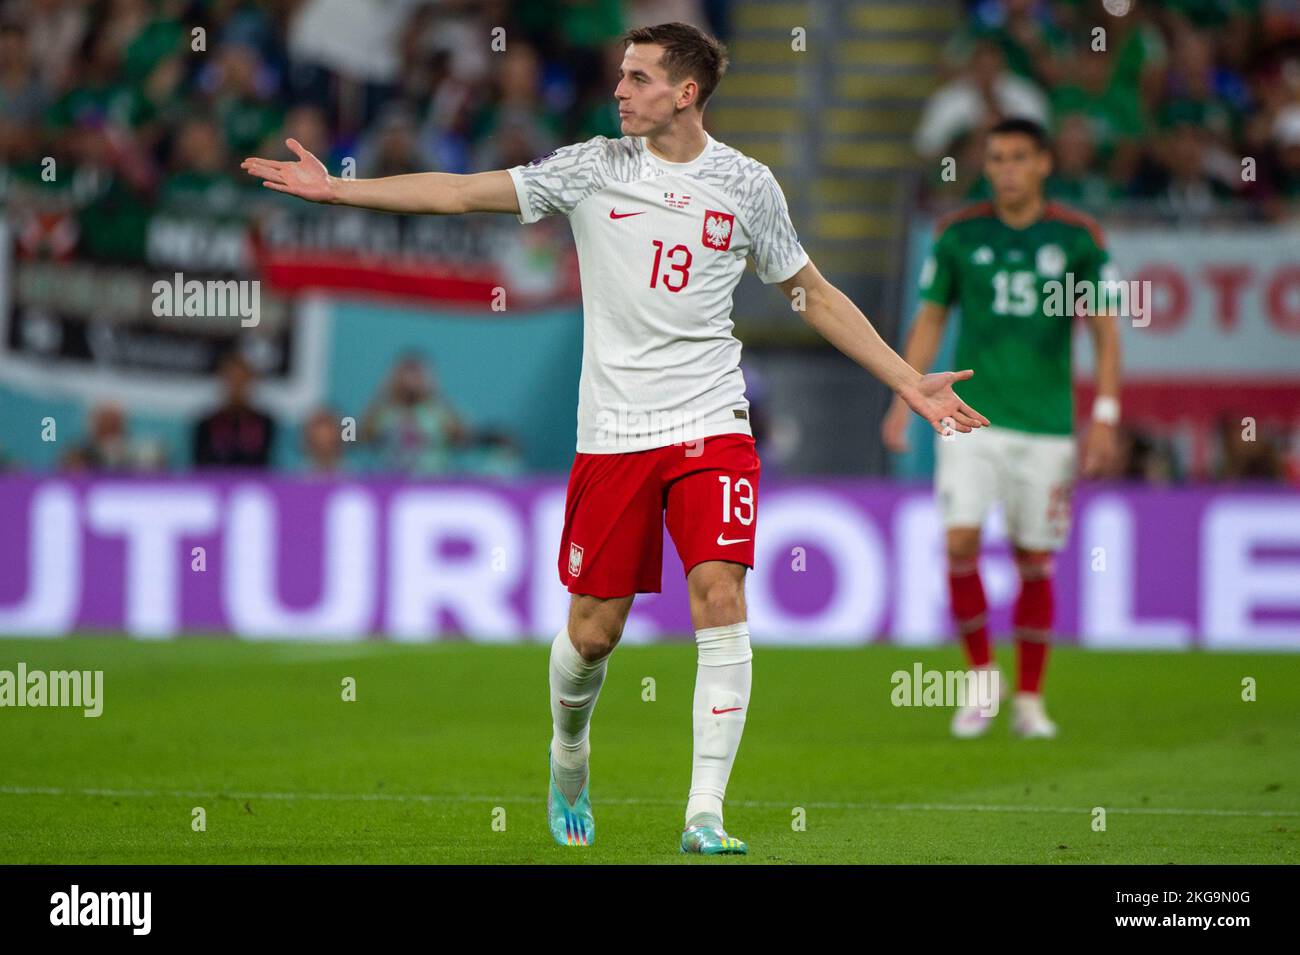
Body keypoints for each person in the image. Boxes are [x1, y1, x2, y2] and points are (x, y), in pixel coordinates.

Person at [243, 21, 987, 855]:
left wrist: (905, 378)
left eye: (637, 78)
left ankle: (705, 810)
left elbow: (810, 293)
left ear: (686, 92)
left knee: (721, 594)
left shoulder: (747, 184)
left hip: (712, 421)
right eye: (621, 77)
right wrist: (341, 191)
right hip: (615, 432)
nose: (620, 91)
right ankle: (568, 748)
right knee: (594, 633)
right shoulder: (592, 167)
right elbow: (459, 191)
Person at [883, 118, 1122, 741]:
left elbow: (1103, 329)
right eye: (995, 158)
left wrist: (1105, 415)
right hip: (970, 421)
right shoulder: (960, 234)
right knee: (960, 544)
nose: (1006, 169)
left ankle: (1031, 701)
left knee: (1034, 560)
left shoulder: (1076, 239)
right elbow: (931, 318)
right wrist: (902, 395)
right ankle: (982, 686)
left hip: (1047, 427)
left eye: (1018, 157)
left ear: (1044, 163)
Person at [193, 350, 276, 469]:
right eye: (231, 379)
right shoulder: (206, 424)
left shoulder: (265, 423)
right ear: (222, 380)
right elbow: (199, 468)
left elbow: (270, 466)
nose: (236, 386)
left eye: (242, 379)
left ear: (251, 382)